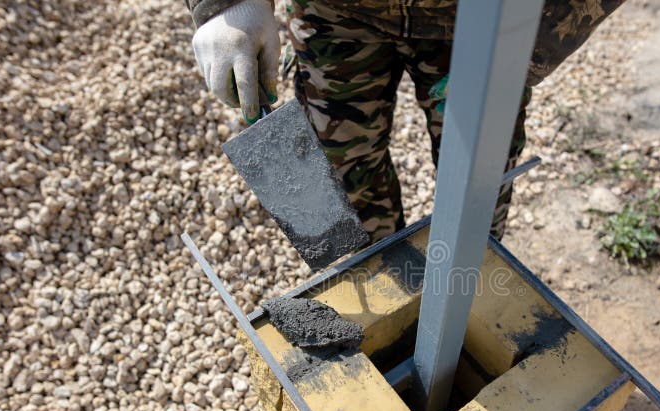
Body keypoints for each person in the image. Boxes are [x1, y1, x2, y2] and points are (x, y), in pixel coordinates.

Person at [187, 0, 625, 241]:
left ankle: (466, 296)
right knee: (334, 179)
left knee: (478, 186)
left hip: (484, 16)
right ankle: (376, 291)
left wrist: (533, 37)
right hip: (333, 13)